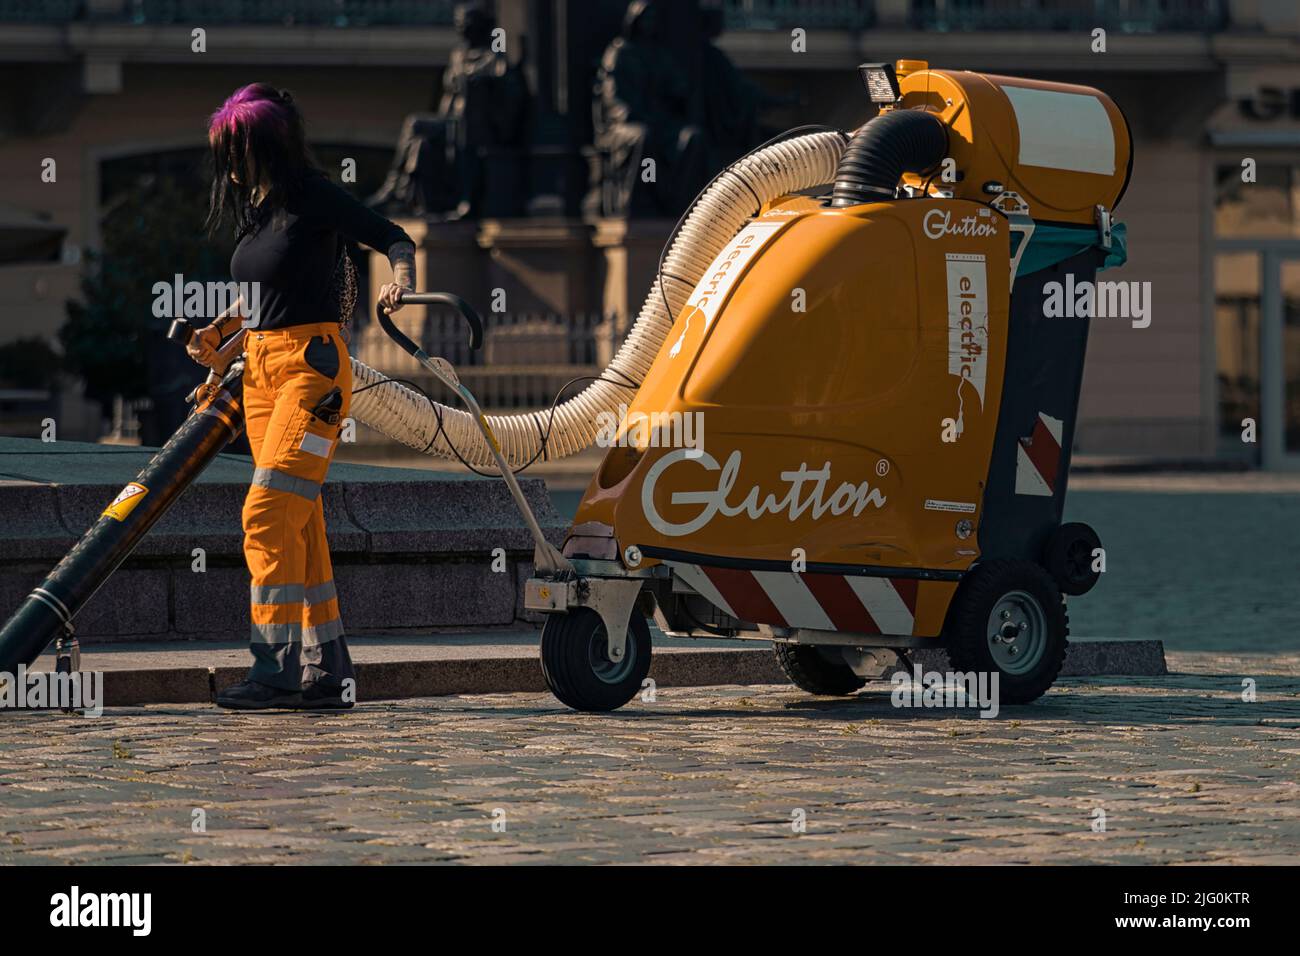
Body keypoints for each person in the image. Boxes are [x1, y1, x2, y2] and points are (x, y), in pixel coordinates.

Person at [188, 83, 416, 710]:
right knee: (300, 523)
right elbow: (264, 302)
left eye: (237, 151)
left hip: (311, 375)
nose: (230, 166)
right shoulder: (261, 210)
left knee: (266, 515)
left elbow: (391, 234)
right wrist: (222, 338)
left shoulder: (313, 196)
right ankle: (329, 669)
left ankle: (276, 669)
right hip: (261, 373)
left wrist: (401, 283)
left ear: (266, 147)